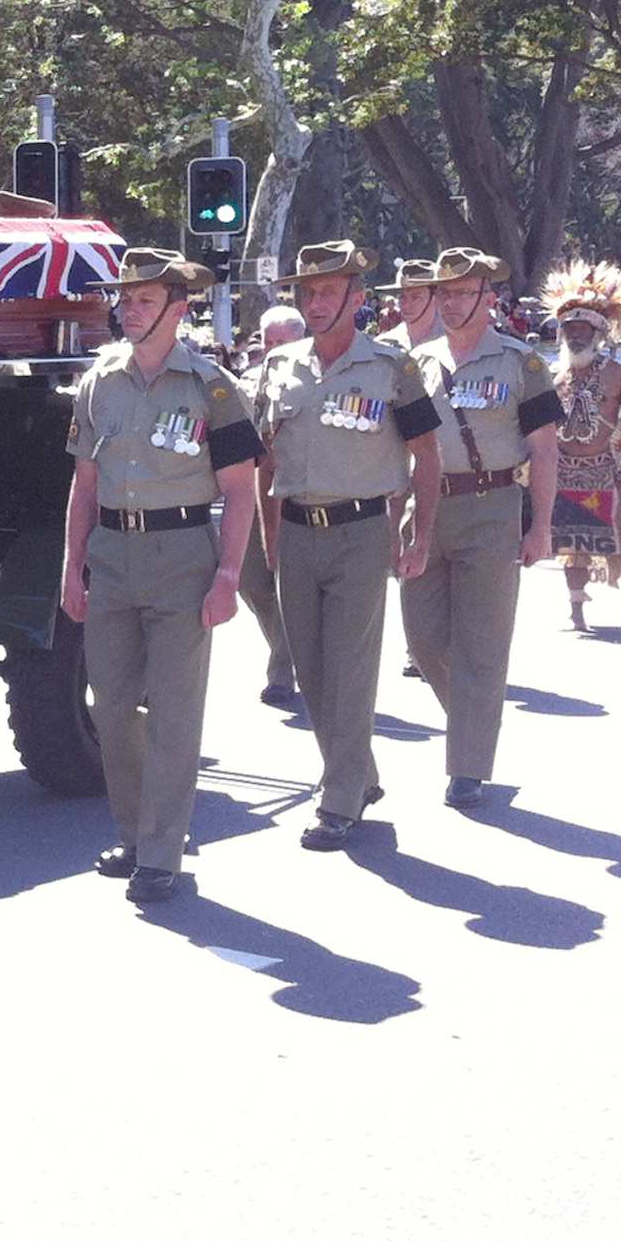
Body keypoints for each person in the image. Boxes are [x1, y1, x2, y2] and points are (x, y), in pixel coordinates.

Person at [60, 248, 260, 903]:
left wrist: (229, 572)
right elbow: (84, 483)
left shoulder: (212, 387)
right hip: (114, 553)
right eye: (125, 299)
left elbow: (240, 488)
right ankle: (133, 832)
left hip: (183, 556)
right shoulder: (99, 381)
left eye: (145, 300)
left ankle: (161, 850)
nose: (129, 309)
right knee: (111, 707)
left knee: (174, 712)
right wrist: (73, 566)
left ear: (180, 308)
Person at [254, 241, 442, 851]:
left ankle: (338, 800)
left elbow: (427, 458)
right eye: (307, 292)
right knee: (309, 670)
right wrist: (268, 531)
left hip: (362, 531)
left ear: (357, 299)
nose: (314, 302)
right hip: (298, 531)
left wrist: (419, 533)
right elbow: (264, 458)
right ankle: (360, 773)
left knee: (350, 668)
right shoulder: (279, 366)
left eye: (328, 291)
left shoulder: (392, 369)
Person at [396, 248, 564, 809]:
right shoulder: (417, 363)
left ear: (488, 299)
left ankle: (468, 765)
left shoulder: (520, 363)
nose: (449, 302)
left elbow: (544, 452)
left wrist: (540, 526)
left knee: (483, 645)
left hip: (492, 505)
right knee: (423, 643)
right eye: (443, 292)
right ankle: (475, 721)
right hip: (426, 510)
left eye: (462, 292)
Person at [542, 259, 621, 626]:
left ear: (598, 335)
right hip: (565, 473)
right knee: (570, 544)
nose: (576, 335)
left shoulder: (618, 375)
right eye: (570, 329)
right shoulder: (553, 376)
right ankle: (576, 607)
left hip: (608, 474)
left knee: (618, 540)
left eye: (583, 329)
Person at [241, 304, 303, 707]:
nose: (275, 348)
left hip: (298, 495)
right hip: (251, 497)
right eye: (270, 341)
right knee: (253, 584)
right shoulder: (245, 384)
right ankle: (290, 651)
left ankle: (283, 671)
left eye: (284, 341)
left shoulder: (314, 383)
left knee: (292, 589)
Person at [376, 259, 441, 350]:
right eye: (402, 297)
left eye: (416, 297)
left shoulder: (455, 339)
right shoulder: (385, 343)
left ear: (436, 298)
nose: (406, 305)